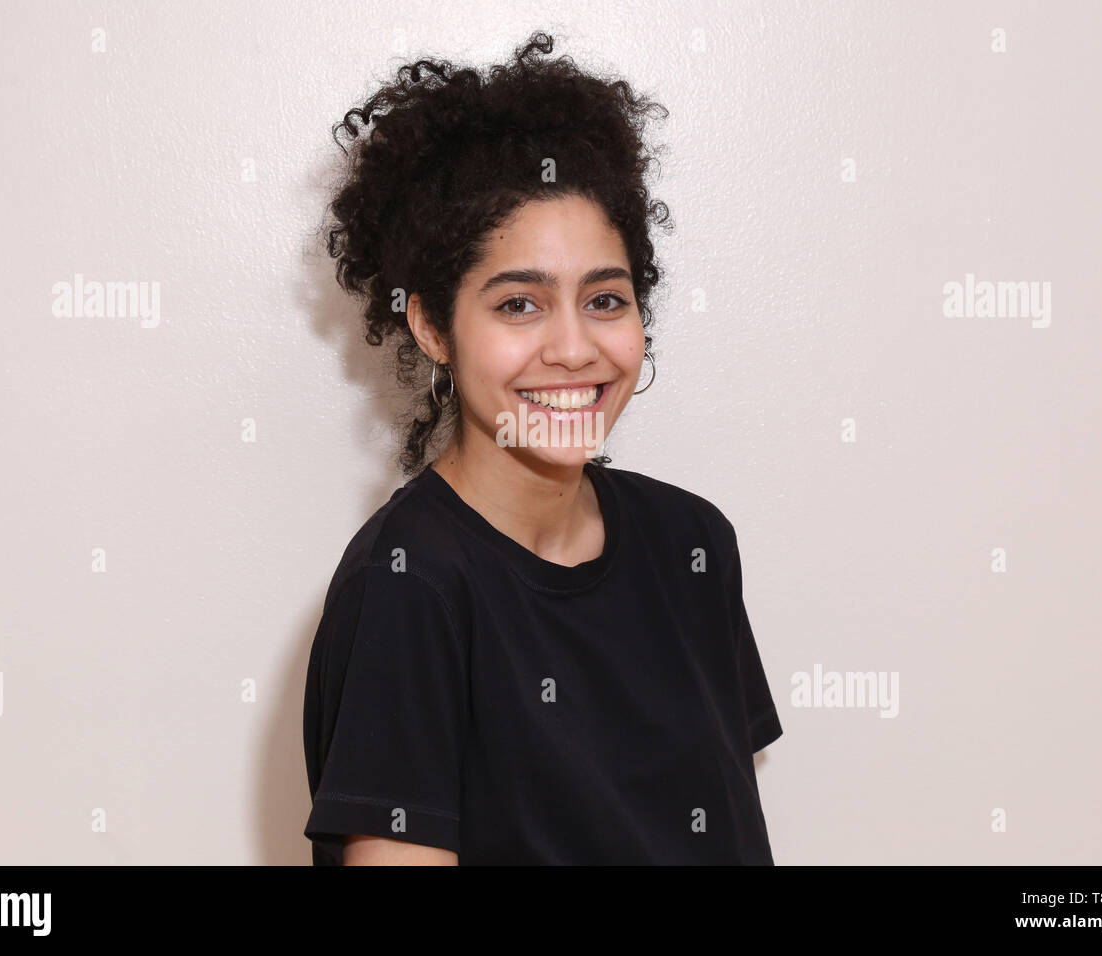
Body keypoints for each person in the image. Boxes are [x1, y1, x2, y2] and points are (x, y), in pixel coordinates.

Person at [303, 31, 784, 865]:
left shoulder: (694, 544)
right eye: (519, 305)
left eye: (605, 298)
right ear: (430, 325)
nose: (572, 348)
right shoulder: (410, 587)